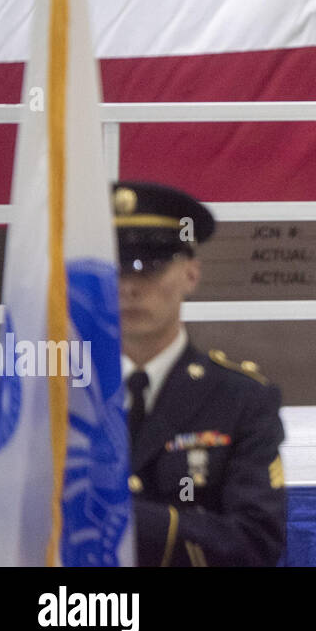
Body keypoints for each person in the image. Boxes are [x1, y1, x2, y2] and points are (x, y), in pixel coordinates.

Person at [113, 180, 286, 567]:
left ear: (191, 274)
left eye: (149, 266)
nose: (129, 287)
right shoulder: (59, 394)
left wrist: (128, 521)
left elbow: (257, 543)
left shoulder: (240, 398)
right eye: (115, 268)